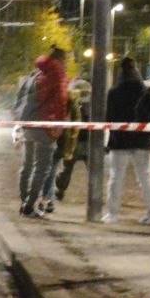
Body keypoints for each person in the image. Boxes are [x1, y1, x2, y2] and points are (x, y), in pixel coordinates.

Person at [101, 56, 150, 225]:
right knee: (145, 177)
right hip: (143, 140)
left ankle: (113, 213)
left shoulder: (114, 92)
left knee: (116, 177)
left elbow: (109, 118)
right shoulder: (146, 91)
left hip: (120, 140)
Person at [17, 47, 67, 218]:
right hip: (45, 126)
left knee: (28, 165)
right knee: (42, 168)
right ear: (62, 60)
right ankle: (30, 206)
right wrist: (58, 125)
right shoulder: (57, 73)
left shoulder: (37, 73)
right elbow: (60, 100)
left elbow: (21, 97)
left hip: (28, 123)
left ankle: (24, 202)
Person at [50, 78, 89, 208]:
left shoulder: (71, 103)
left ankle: (60, 190)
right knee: (92, 169)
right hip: (86, 141)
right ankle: (96, 193)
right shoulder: (92, 104)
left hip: (75, 141)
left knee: (67, 168)